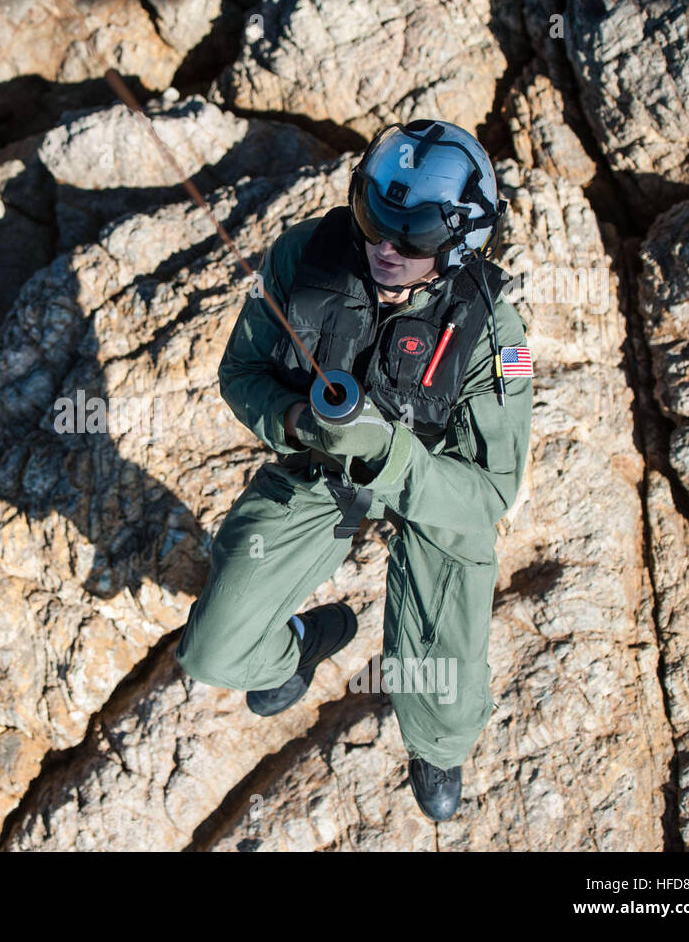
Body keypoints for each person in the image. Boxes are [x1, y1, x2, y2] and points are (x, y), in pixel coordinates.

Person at [174, 119, 534, 821]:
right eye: (372, 218)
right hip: (320, 467)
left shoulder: (490, 329)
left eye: (414, 237)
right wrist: (296, 421)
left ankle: (437, 743)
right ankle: (304, 645)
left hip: (432, 482)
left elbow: (487, 490)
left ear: (457, 240)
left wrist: (392, 453)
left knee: (445, 678)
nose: (383, 248)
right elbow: (242, 372)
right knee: (215, 652)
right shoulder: (301, 259)